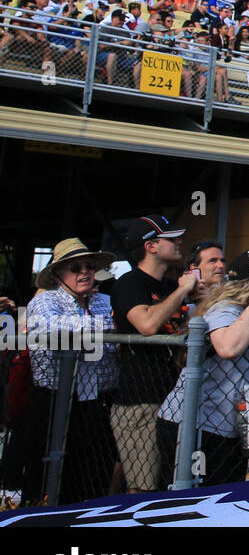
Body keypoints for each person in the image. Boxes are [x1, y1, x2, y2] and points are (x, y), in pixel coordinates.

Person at [0, 238, 117, 506]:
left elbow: (112, 325)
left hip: (98, 403)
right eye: (76, 267)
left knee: (91, 476)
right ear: (57, 274)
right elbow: (54, 328)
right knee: (44, 477)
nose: (85, 272)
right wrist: (107, 328)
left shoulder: (104, 299)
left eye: (89, 266)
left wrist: (97, 329)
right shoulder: (45, 301)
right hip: (53, 402)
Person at [156, 250, 249, 487]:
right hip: (195, 424)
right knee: (190, 498)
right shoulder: (225, 307)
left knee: (224, 495)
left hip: (230, 426)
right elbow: (227, 347)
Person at [110, 214, 195, 493]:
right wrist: (182, 292)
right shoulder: (129, 282)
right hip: (139, 400)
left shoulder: (171, 287)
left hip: (173, 398)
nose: (179, 241)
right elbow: (147, 324)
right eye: (171, 238)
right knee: (143, 488)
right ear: (151, 246)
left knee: (168, 483)